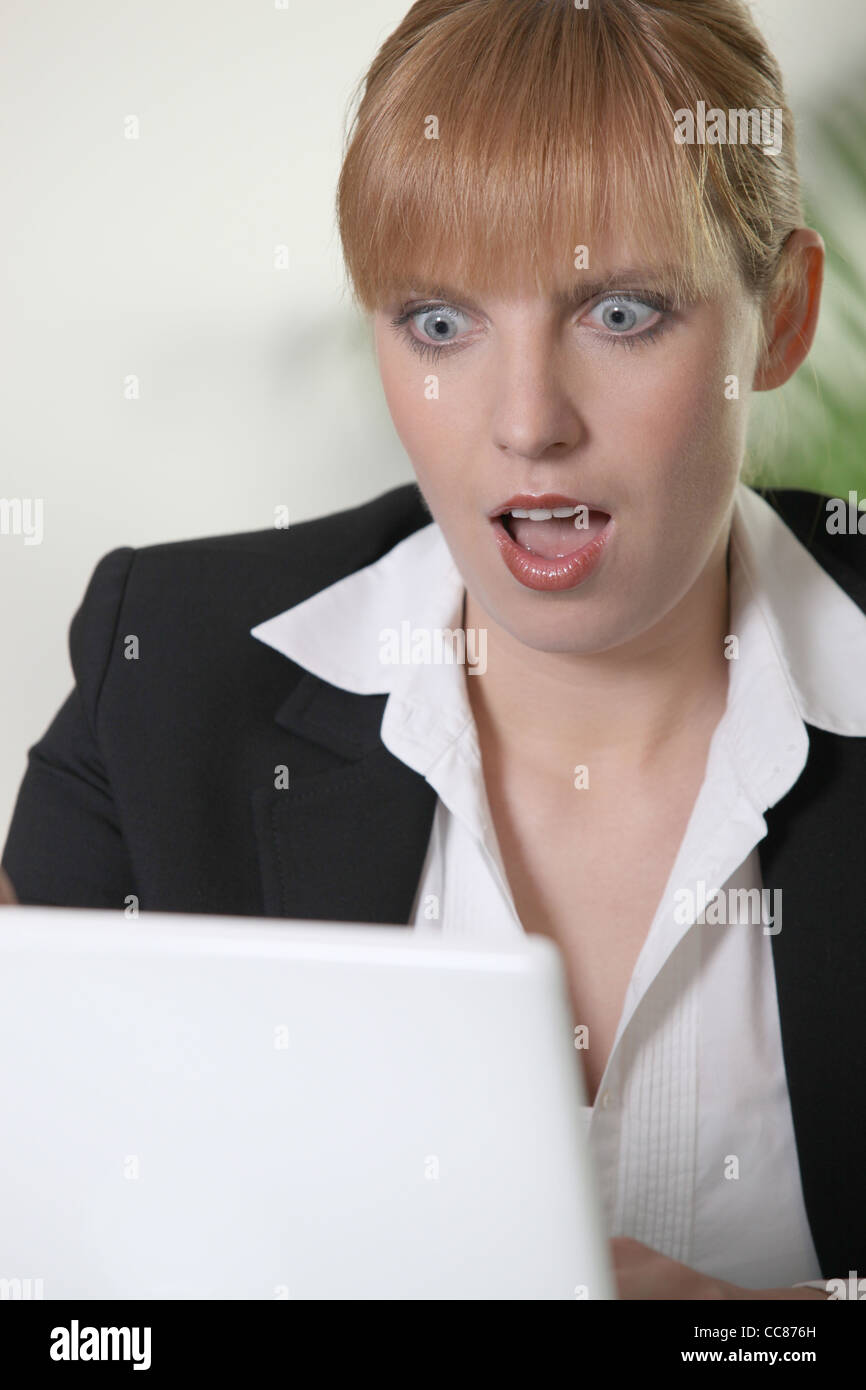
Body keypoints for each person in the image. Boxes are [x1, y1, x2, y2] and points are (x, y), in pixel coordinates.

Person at [3, 0, 864, 1299]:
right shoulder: (165, 669)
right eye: (440, 324)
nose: (525, 423)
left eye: (621, 312)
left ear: (782, 316)